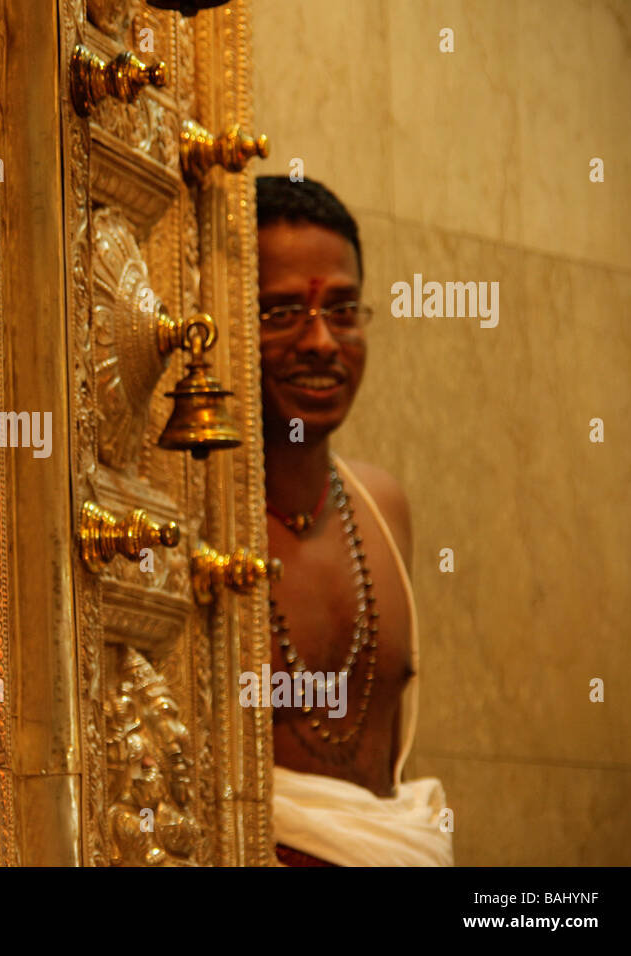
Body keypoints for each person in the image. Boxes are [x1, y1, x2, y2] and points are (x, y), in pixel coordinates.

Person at [255, 176, 453, 866]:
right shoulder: (195, 526)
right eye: (281, 313)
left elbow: (386, 773)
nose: (320, 340)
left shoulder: (383, 505)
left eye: (343, 310)